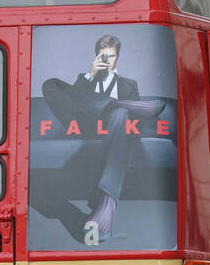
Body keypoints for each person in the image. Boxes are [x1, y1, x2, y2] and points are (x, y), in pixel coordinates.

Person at [42, 34, 163, 243]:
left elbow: (135, 124)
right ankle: (117, 103)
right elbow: (72, 103)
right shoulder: (85, 80)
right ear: (96, 56)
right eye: (103, 56)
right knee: (51, 84)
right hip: (84, 124)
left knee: (122, 115)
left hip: (116, 130)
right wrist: (90, 73)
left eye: (111, 56)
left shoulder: (128, 85)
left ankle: (106, 205)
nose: (107, 60)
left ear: (118, 58)